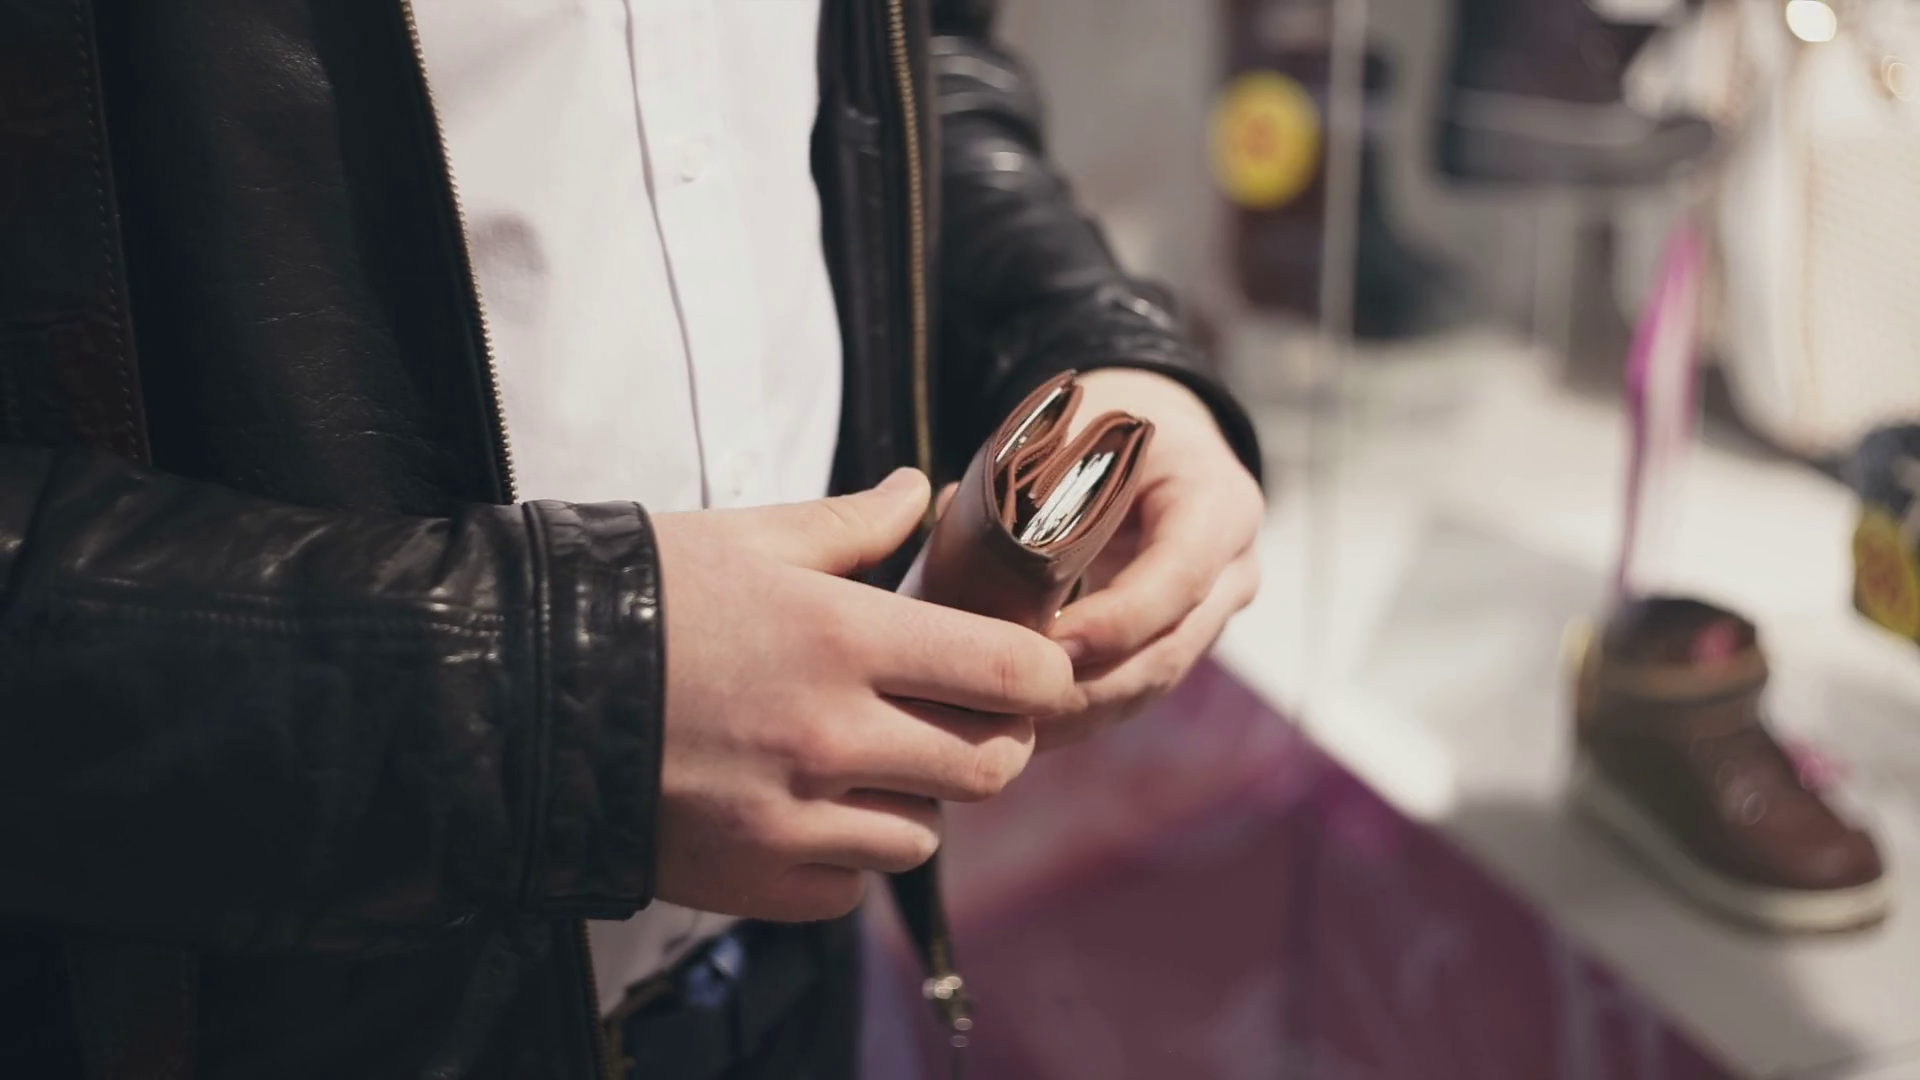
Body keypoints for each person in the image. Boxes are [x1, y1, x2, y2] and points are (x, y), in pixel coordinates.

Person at [0, 1, 1264, 1076]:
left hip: (791, 978)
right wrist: (561, 707)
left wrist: (1081, 335)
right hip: (290, 1022)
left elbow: (911, 52)